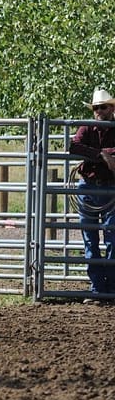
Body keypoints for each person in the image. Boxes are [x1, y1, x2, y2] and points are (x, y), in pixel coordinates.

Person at [69, 88, 115, 297]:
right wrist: (103, 156)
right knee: (90, 238)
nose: (98, 111)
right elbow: (74, 146)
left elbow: (78, 147)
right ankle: (98, 287)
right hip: (89, 186)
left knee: (112, 237)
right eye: (96, 108)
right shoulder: (87, 127)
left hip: (108, 187)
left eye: (102, 107)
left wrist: (100, 154)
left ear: (111, 108)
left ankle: (110, 286)